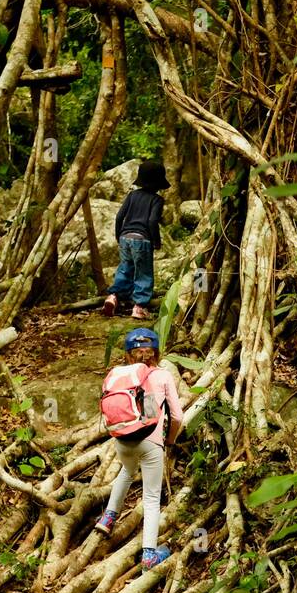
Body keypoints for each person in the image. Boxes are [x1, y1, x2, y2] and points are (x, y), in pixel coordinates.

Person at [95, 327, 184, 569]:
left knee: (126, 470)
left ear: (127, 354)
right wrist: (170, 441)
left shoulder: (117, 374)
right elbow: (176, 417)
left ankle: (108, 517)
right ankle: (149, 556)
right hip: (151, 443)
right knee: (152, 497)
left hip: (122, 441)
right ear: (156, 352)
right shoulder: (163, 376)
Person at [103, 161, 170, 320]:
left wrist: (119, 235)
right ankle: (139, 306)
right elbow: (152, 221)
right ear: (159, 183)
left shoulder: (132, 195)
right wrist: (157, 241)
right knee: (143, 273)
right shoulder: (157, 200)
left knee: (125, 268)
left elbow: (120, 216)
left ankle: (113, 297)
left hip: (125, 237)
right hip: (142, 240)